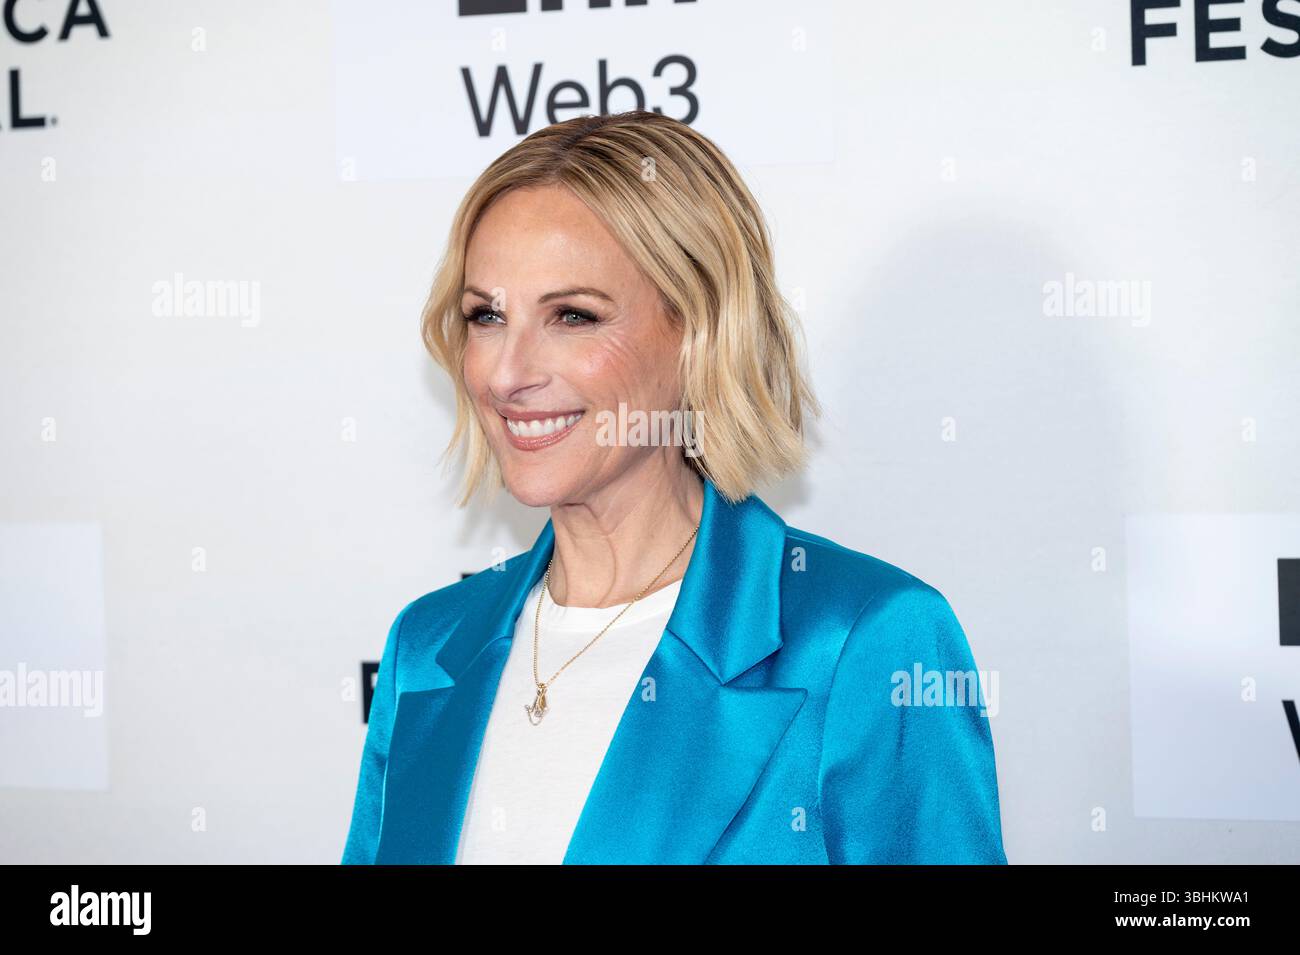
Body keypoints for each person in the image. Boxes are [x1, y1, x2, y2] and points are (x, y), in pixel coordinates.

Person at [341, 109, 1007, 865]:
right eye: (486, 315)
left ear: (698, 334)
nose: (506, 372)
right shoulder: (428, 645)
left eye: (572, 315)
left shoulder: (867, 640)